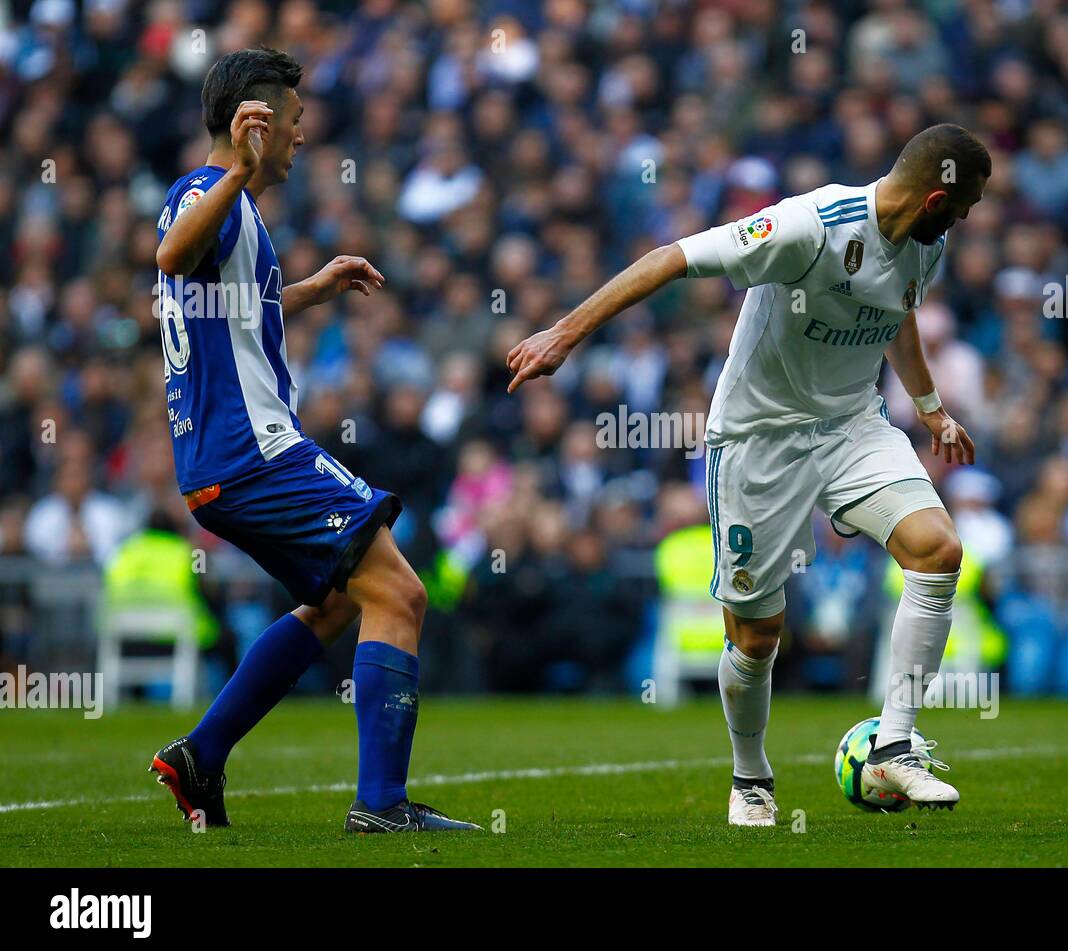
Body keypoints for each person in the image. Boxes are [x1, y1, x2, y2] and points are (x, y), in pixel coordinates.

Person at [508, 123, 988, 824]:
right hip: (759, 439)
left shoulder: (925, 244)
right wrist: (565, 333)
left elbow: (898, 311)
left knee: (938, 551)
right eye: (964, 207)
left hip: (853, 425)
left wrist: (931, 408)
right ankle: (751, 776)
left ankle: (893, 745)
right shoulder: (809, 226)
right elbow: (672, 257)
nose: (966, 220)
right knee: (758, 636)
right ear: (936, 198)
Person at [149, 48, 477, 833]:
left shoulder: (222, 208)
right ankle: (382, 805)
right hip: (255, 453)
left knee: (333, 605)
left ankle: (200, 755)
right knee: (400, 593)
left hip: (219, 465)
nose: (301, 137)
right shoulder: (208, 193)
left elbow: (226, 313)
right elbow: (169, 258)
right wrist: (238, 171)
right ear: (254, 124)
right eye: (293, 122)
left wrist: (309, 290)